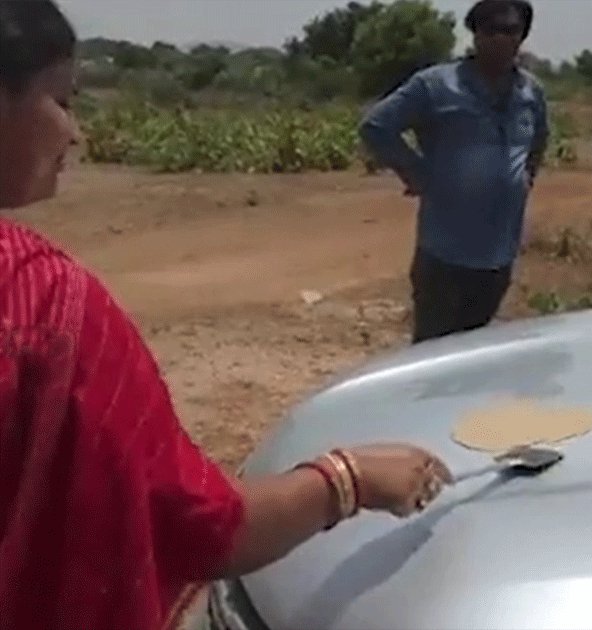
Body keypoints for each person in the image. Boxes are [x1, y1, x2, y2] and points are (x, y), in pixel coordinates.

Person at [0, 2, 453, 628]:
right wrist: (350, 478)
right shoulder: (45, 306)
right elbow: (198, 527)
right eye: (62, 101)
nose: (74, 133)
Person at [359, 0, 550, 343]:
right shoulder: (435, 85)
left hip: (499, 254)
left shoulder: (531, 92)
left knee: (473, 351)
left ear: (521, 37)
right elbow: (376, 125)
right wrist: (415, 172)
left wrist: (524, 178)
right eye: (489, 29)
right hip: (445, 252)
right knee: (433, 353)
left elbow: (538, 140)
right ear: (475, 34)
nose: (500, 39)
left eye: (510, 31)